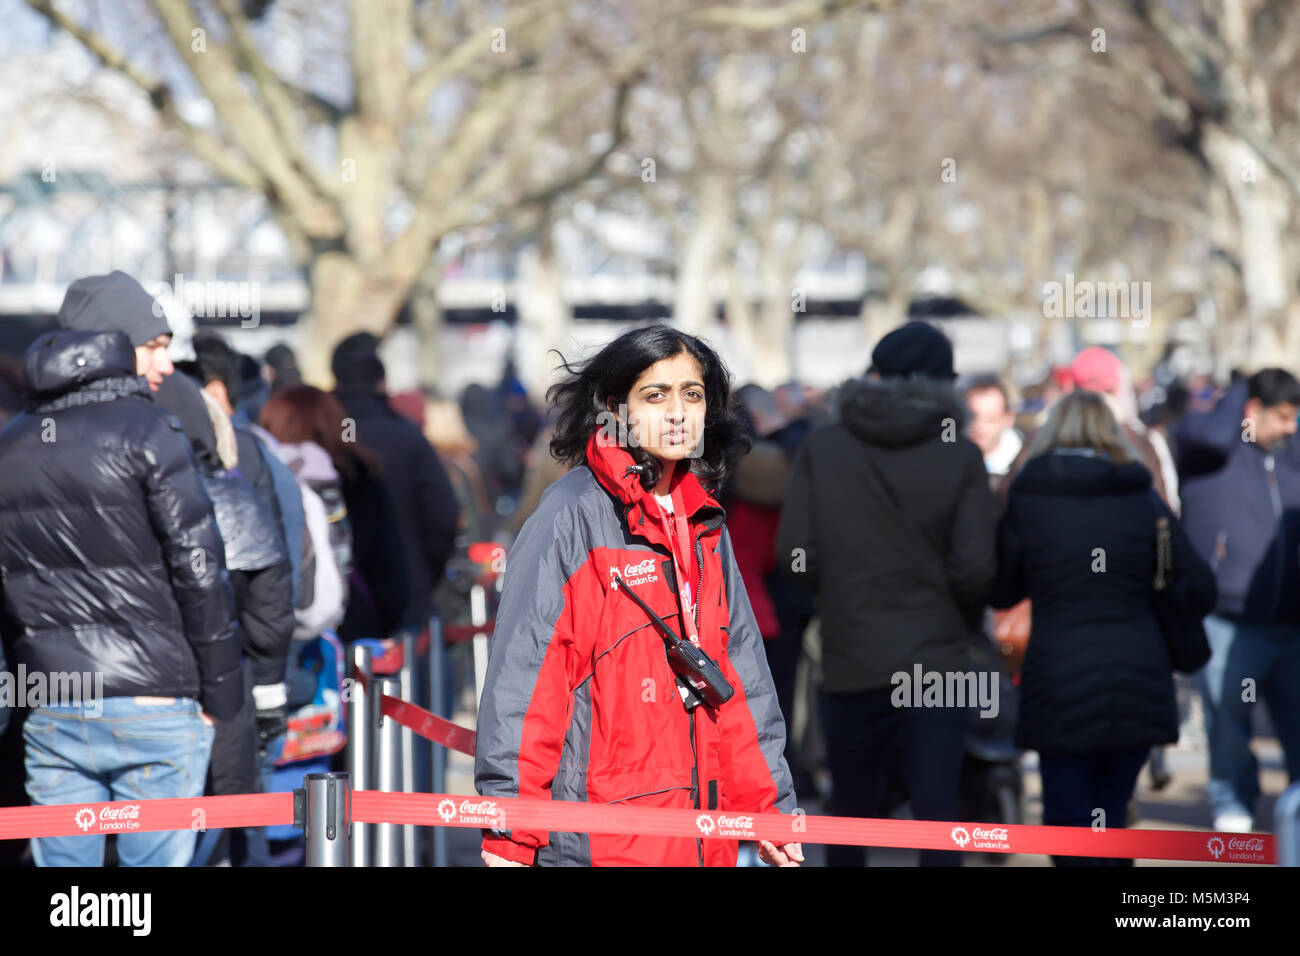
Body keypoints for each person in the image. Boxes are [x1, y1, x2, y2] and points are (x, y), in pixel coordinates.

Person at [475, 324, 799, 867]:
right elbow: (527, 682)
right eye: (655, 395)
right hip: (602, 839)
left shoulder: (704, 522)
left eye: (691, 395)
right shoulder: (572, 514)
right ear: (614, 408)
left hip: (701, 834)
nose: (677, 412)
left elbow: (740, 675)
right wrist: (512, 830)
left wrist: (770, 808)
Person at [0, 271, 242, 866]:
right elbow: (200, 571)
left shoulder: (11, 444)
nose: (164, 365)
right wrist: (220, 694)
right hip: (156, 697)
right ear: (112, 342)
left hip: (52, 699)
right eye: (155, 347)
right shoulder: (151, 433)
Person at [776, 321, 996, 866]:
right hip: (938, 658)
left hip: (852, 654)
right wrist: (957, 618)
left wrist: (840, 594)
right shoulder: (960, 454)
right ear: (944, 382)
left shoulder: (825, 446)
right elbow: (974, 568)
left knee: (851, 809)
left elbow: (794, 552)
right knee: (938, 814)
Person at [993, 390, 1216, 864]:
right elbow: (1198, 582)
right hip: (1137, 673)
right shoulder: (1142, 496)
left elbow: (1001, 588)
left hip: (1059, 676)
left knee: (1066, 816)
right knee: (1113, 813)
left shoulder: (1029, 496)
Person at [1174, 367, 1300, 832]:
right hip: (1227, 617)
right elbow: (1206, 431)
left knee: (1296, 721)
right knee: (1227, 716)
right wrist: (1242, 390)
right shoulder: (1207, 451)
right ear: (1252, 410)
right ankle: (1231, 797)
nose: (1291, 427)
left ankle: (1295, 807)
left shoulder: (1292, 455)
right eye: (1283, 416)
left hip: (1290, 618)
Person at [260, 384, 409, 644]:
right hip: (355, 621)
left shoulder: (264, 476)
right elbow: (389, 563)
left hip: (279, 627)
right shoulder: (361, 473)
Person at [332, 333, 458, 634]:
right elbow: (443, 517)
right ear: (382, 384)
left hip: (336, 597)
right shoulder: (409, 438)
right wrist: (424, 574)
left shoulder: (325, 438)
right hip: (406, 592)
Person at [965, 376, 1024, 492]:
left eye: (990, 419)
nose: (979, 427)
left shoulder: (1023, 464)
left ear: (1009, 419)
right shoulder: (950, 459)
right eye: (973, 418)